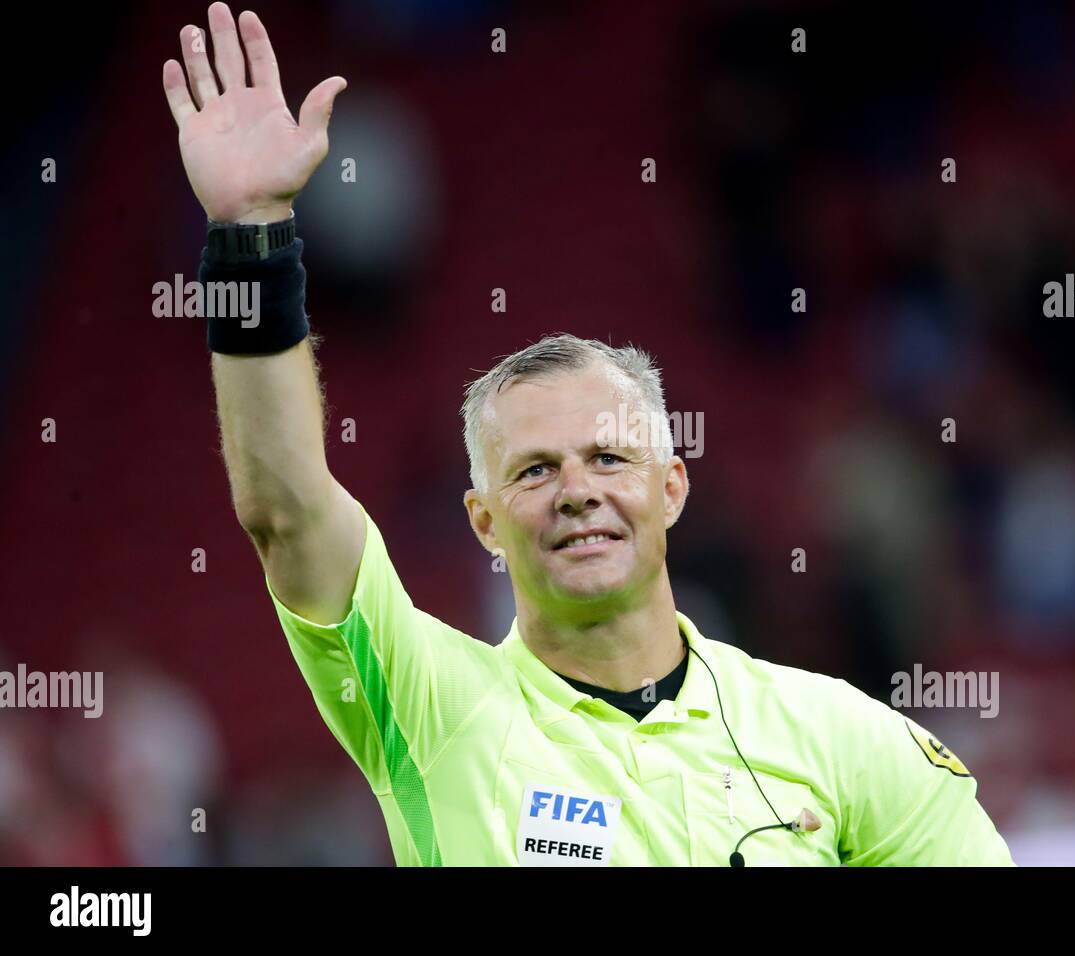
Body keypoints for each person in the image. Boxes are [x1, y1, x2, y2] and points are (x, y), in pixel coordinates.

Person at [163, 2, 1015, 866]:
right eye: (533, 471)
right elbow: (287, 510)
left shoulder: (841, 736)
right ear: (484, 520)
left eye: (609, 457)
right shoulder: (432, 713)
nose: (578, 491)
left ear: (672, 486)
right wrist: (252, 235)